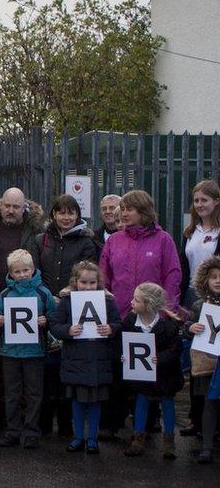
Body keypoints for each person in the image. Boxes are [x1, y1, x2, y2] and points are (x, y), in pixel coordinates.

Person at [99, 189, 182, 438]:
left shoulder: (164, 240)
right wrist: (106, 306)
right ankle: (112, 423)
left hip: (151, 319)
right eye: (122, 209)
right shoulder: (114, 240)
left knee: (149, 373)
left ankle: (146, 424)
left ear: (144, 211)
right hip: (121, 317)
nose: (123, 213)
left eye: (129, 209)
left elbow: (172, 275)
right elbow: (104, 275)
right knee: (118, 369)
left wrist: (167, 311)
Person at [0, 187, 44, 424]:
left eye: (16, 207)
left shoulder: (36, 230)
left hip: (26, 299)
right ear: (0, 205)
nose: (11, 211)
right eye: (7, 206)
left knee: (24, 357)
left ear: (24, 208)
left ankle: (23, 409)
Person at [33, 194, 97, 437]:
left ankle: (66, 422)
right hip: (45, 305)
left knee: (66, 366)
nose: (66, 217)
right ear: (54, 214)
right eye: (62, 212)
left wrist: (67, 292)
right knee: (46, 367)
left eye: (71, 212)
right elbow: (35, 271)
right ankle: (44, 422)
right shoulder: (41, 239)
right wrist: (48, 296)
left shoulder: (86, 242)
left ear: (78, 215)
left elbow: (87, 273)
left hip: (73, 307)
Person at [49, 261, 120, 454]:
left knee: (95, 402)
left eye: (92, 283)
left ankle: (92, 439)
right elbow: (54, 325)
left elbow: (117, 323)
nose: (88, 287)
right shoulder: (67, 301)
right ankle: (78, 437)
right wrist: (68, 330)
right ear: (75, 281)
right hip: (75, 360)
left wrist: (111, 329)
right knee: (78, 401)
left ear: (98, 282)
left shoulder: (107, 302)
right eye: (83, 282)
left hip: (98, 360)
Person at [0, 249, 55, 449]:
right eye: (17, 272)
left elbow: (54, 316)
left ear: (33, 268)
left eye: (25, 270)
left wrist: (46, 320)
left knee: (34, 394)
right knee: (12, 394)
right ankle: (13, 431)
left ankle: (31, 432)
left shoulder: (43, 293)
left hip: (34, 352)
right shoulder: (5, 294)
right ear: (10, 273)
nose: (22, 275)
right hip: (10, 352)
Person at [122, 283, 184, 459]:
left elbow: (176, 349)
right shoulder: (130, 321)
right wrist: (124, 356)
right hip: (142, 373)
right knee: (141, 401)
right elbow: (125, 342)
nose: (132, 302)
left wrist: (161, 358)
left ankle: (169, 441)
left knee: (167, 404)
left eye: (136, 300)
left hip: (165, 376)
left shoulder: (169, 326)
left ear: (148, 304)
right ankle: (138, 439)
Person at [186, 255, 220, 461]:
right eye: (213, 277)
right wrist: (191, 327)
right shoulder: (199, 305)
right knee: (210, 401)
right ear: (205, 280)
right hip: (207, 362)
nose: (218, 281)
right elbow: (187, 326)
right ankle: (207, 446)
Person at [181, 180, 220, 307]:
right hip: (191, 293)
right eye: (196, 200)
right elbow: (183, 266)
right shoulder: (189, 231)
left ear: (216, 201)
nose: (199, 204)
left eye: (204, 200)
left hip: (215, 294)